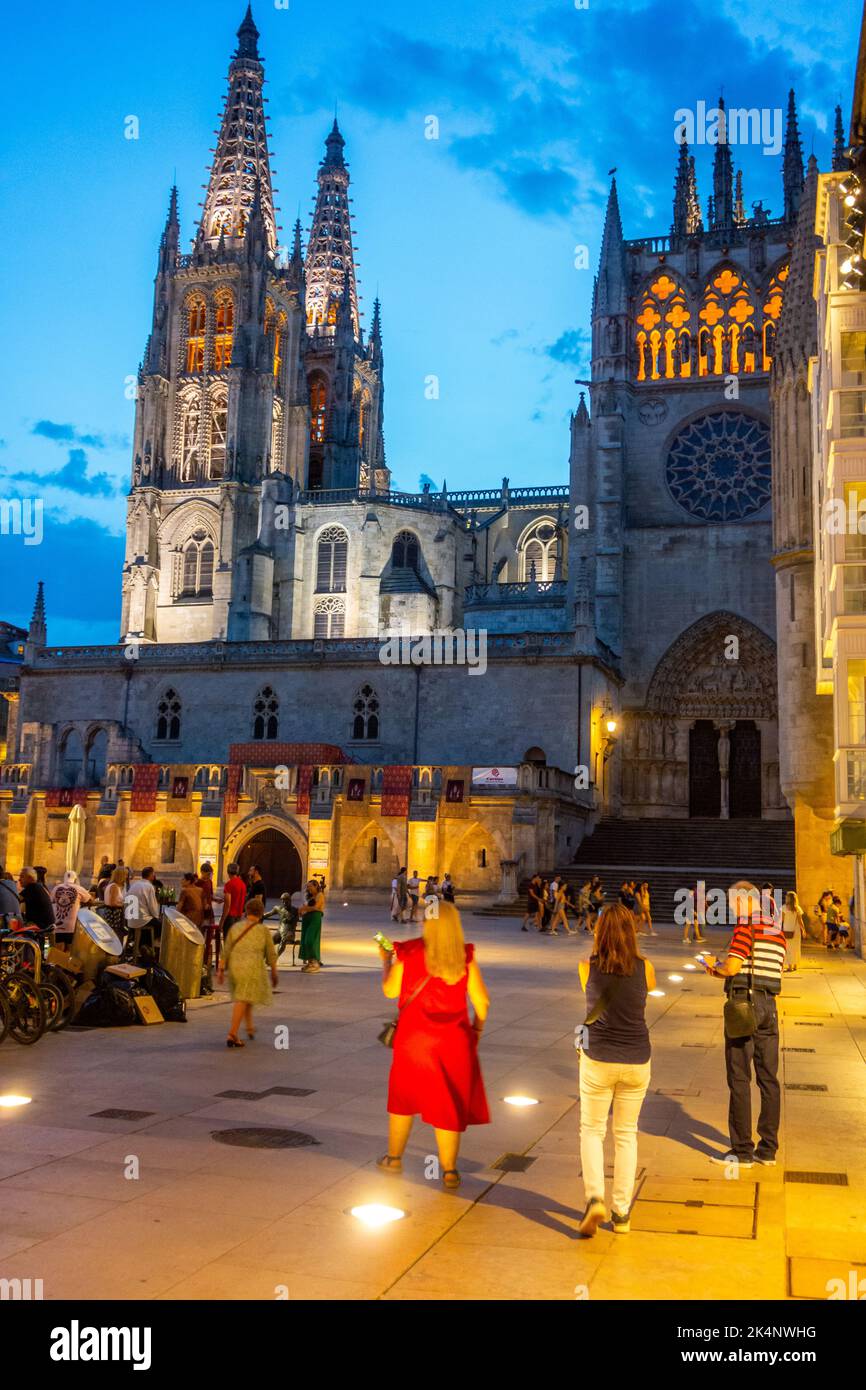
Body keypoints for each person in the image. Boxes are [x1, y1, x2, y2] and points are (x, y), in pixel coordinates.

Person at [376, 900, 490, 1189]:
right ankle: (450, 1171)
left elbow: (390, 991)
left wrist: (385, 961)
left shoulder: (411, 951)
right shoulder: (464, 956)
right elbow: (482, 1002)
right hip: (454, 1042)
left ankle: (394, 1158)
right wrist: (476, 1029)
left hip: (414, 1041)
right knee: (448, 1104)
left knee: (403, 1099)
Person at [577, 903, 655, 1236]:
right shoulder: (646, 967)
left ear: (599, 931)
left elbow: (591, 995)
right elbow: (644, 992)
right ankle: (621, 1213)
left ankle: (595, 1197)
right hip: (637, 1058)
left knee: (592, 1130)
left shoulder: (586, 967)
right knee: (626, 1134)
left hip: (599, 1058)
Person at [704, 888, 786, 1168]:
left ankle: (741, 1151)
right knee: (769, 1079)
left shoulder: (746, 927)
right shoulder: (777, 934)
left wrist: (714, 967)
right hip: (770, 1009)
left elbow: (733, 966)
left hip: (744, 1005)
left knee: (739, 1078)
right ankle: (768, 1149)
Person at [219, 897, 278, 1047]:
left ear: (246, 911)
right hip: (251, 969)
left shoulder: (236, 928)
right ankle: (232, 1033)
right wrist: (274, 972)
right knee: (243, 999)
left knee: (246, 997)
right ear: (261, 913)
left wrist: (220, 968)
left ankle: (250, 1027)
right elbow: (271, 953)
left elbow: (226, 949)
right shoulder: (263, 930)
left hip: (235, 968)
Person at [50, 870, 92, 946]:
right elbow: (90, 900)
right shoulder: (79, 888)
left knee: (58, 950)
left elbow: (51, 900)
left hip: (57, 924)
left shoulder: (56, 888)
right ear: (75, 879)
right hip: (72, 926)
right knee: (69, 949)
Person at [126, 867, 162, 950]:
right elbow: (152, 906)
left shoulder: (134, 884)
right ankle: (146, 946)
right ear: (152, 875)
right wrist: (156, 916)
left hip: (130, 920)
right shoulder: (149, 886)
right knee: (160, 926)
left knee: (150, 923)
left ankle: (139, 945)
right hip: (141, 920)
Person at [218, 861, 248, 954]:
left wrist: (222, 921)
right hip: (239, 917)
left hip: (230, 917)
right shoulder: (243, 884)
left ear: (228, 872)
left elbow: (227, 905)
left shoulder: (229, 884)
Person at [298, 879, 325, 973]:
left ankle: (315, 962)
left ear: (316, 886)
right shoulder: (309, 897)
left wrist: (304, 908)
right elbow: (306, 907)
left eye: (310, 886)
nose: (308, 888)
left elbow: (316, 907)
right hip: (307, 919)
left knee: (310, 940)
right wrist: (302, 912)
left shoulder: (320, 895)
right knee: (305, 941)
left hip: (314, 919)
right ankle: (310, 962)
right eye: (308, 887)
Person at [18, 866, 55, 932]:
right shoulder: (38, 886)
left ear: (30, 878)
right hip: (47, 925)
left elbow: (16, 899)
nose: (19, 879)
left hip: (40, 926)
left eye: (22, 877)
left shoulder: (31, 887)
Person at [196, 863, 217, 972]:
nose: (209, 876)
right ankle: (198, 960)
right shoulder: (198, 883)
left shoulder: (209, 882)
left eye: (210, 874)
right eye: (208, 874)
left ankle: (206, 961)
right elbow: (197, 897)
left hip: (209, 912)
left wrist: (216, 899)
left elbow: (210, 895)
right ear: (202, 872)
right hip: (201, 913)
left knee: (209, 936)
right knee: (200, 935)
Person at [101, 866, 127, 939]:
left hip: (112, 912)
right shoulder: (114, 887)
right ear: (120, 876)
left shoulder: (112, 885)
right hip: (114, 914)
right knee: (115, 935)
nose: (126, 877)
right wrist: (124, 904)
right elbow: (113, 903)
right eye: (125, 875)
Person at [781, 890, 805, 971]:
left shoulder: (784, 907)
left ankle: (790, 966)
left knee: (788, 948)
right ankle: (795, 965)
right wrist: (803, 930)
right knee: (796, 948)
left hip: (787, 929)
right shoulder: (797, 908)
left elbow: (782, 919)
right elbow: (800, 921)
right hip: (796, 930)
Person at [272, 892, 299, 959]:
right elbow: (267, 914)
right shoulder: (279, 909)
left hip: (290, 933)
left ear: (290, 900)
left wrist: (290, 919)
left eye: (286, 901)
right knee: (271, 940)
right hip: (280, 932)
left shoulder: (295, 910)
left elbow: (295, 921)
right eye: (283, 901)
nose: (284, 903)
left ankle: (275, 958)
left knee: (284, 940)